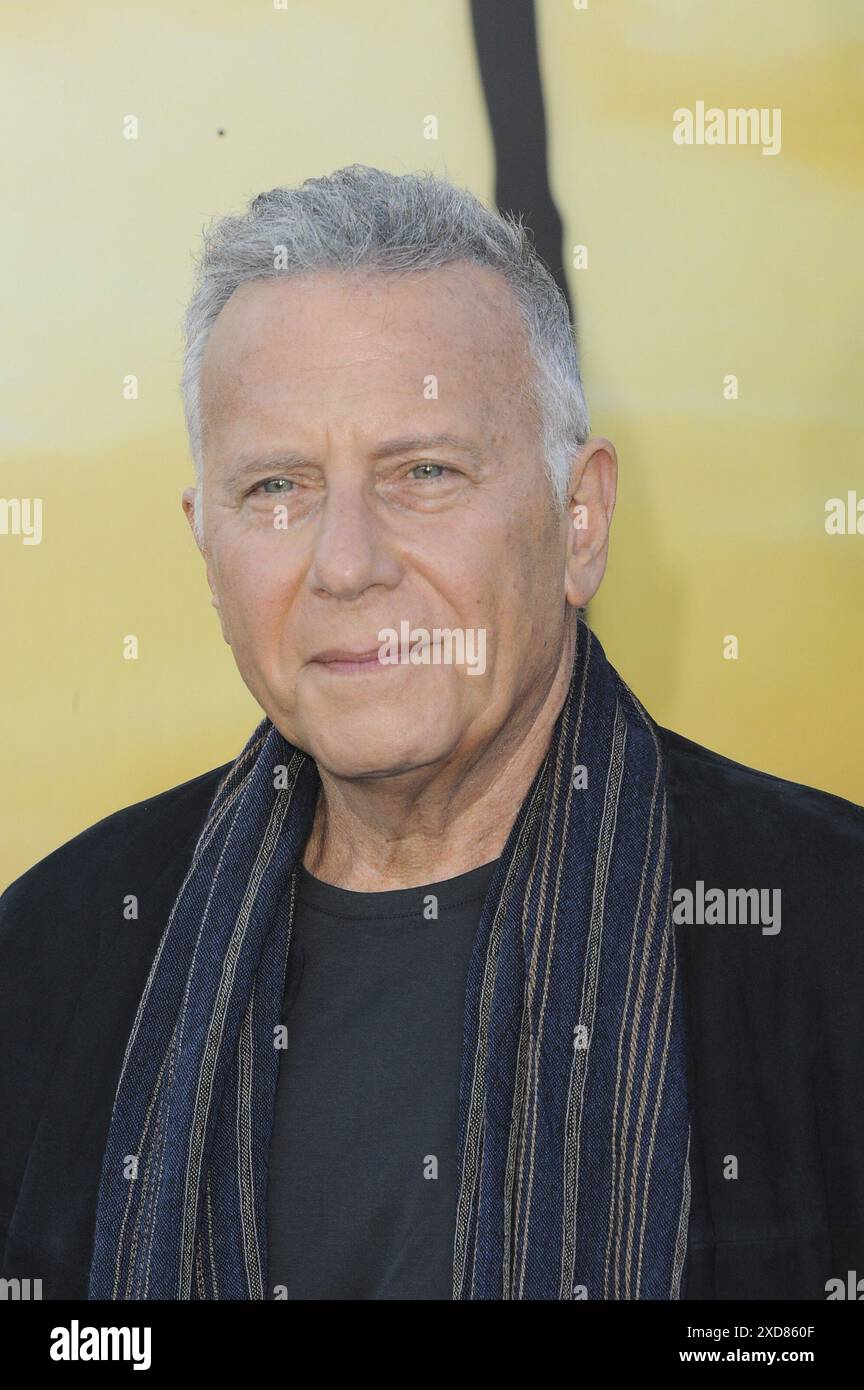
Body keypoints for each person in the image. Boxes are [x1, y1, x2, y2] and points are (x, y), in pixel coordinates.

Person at [1, 166, 862, 1302]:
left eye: (423, 472)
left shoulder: (829, 934)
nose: (347, 562)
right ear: (203, 542)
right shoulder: (53, 956)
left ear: (580, 518)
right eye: (277, 488)